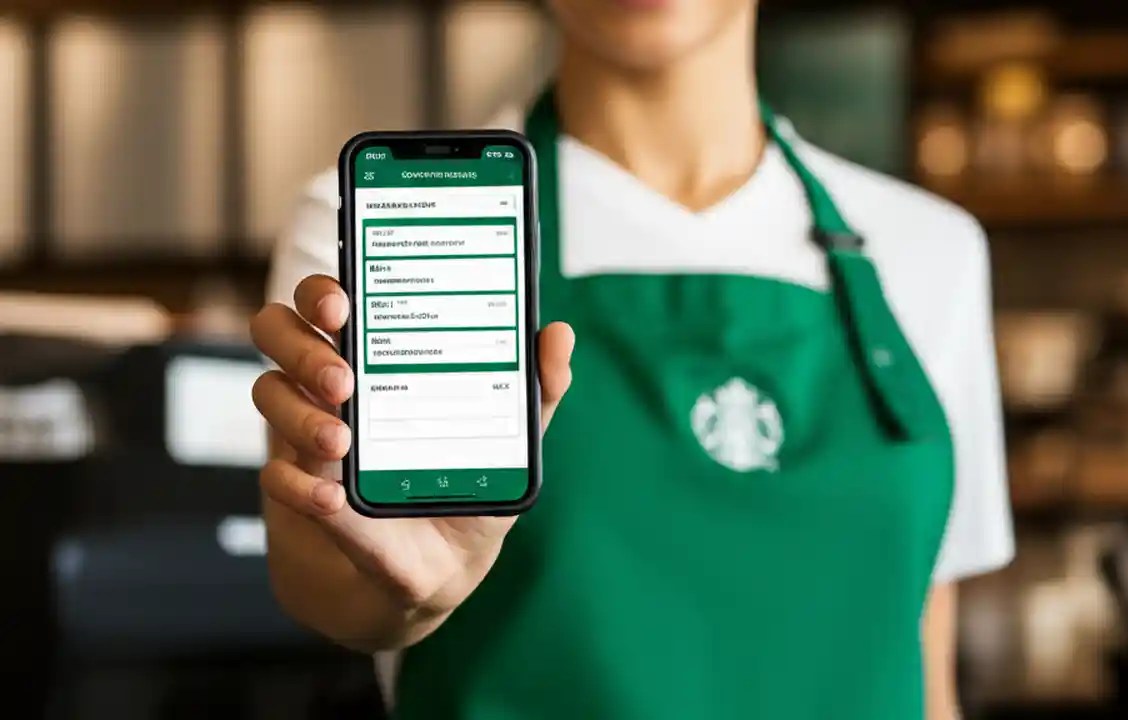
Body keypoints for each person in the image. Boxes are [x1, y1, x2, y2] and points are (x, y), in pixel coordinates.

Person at [250, 1, 1014, 718]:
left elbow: (925, 671)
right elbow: (334, 584)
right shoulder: (391, 226)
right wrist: (405, 595)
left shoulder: (930, 251)